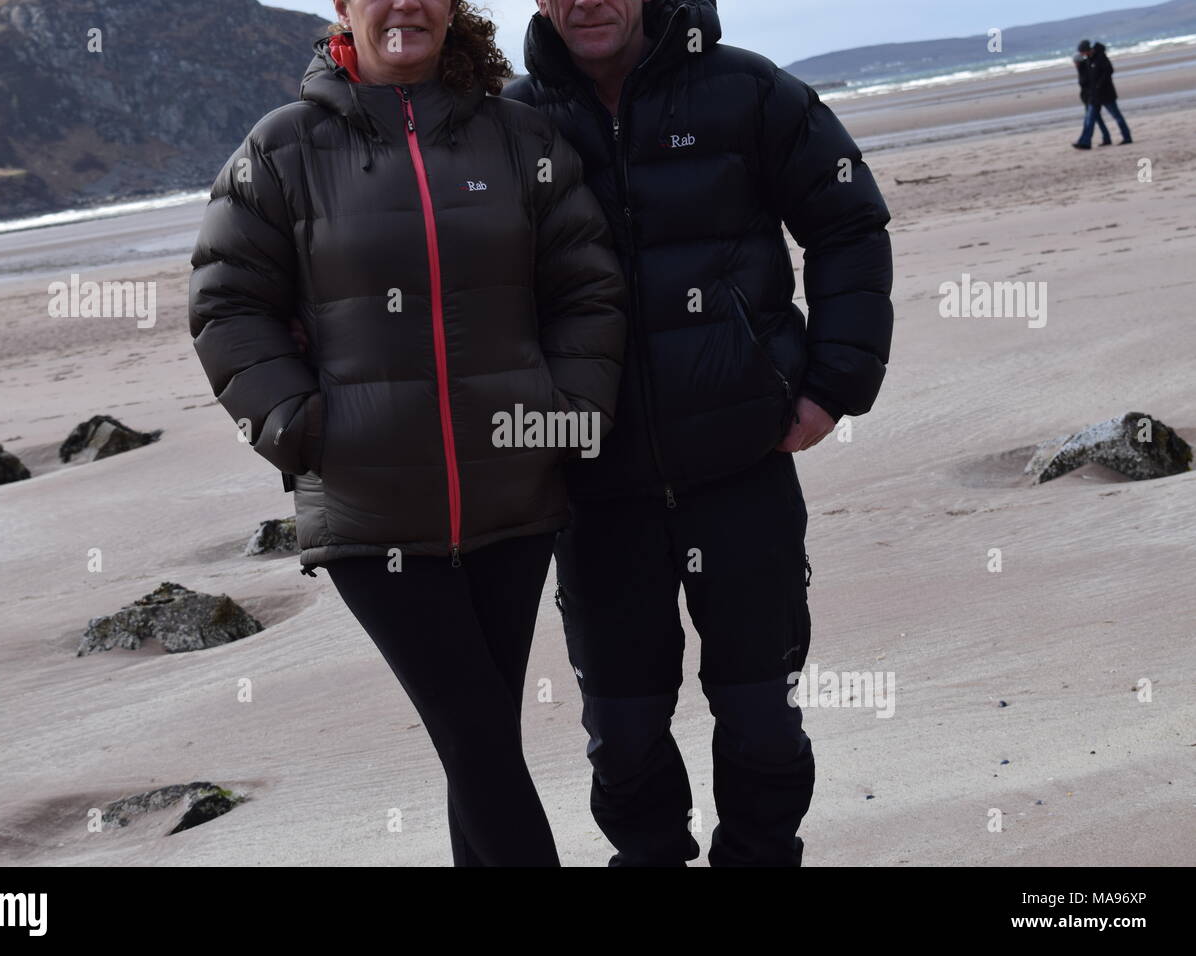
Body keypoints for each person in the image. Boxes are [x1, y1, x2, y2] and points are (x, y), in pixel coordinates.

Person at [188, 0, 627, 866]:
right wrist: (301, 428)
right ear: (345, 10)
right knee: (480, 745)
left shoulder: (520, 139)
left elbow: (588, 288)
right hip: (369, 510)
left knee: (482, 747)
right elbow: (227, 303)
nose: (405, 6)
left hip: (514, 495)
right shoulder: (282, 150)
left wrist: (560, 413)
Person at [504, 0, 894, 866]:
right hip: (595, 491)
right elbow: (447, 272)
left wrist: (834, 384)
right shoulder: (511, 122)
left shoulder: (746, 90)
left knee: (760, 717)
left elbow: (848, 221)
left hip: (741, 468)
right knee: (622, 731)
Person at [1073, 40, 1133, 149]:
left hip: (1106, 94)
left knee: (1116, 116)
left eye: (1083, 52)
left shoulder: (1101, 57)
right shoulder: (1088, 61)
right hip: (1094, 96)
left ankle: (1127, 137)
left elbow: (1108, 72)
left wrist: (1099, 85)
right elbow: (1088, 80)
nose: (1082, 55)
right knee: (1090, 119)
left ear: (1087, 50)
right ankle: (1085, 142)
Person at [1073, 39, 1111, 146]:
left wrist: (1092, 96)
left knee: (1089, 122)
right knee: (1096, 120)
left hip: (1092, 98)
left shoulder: (1086, 68)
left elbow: (1090, 85)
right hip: (1090, 98)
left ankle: (1085, 142)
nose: (1074, 64)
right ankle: (1105, 138)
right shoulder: (1085, 67)